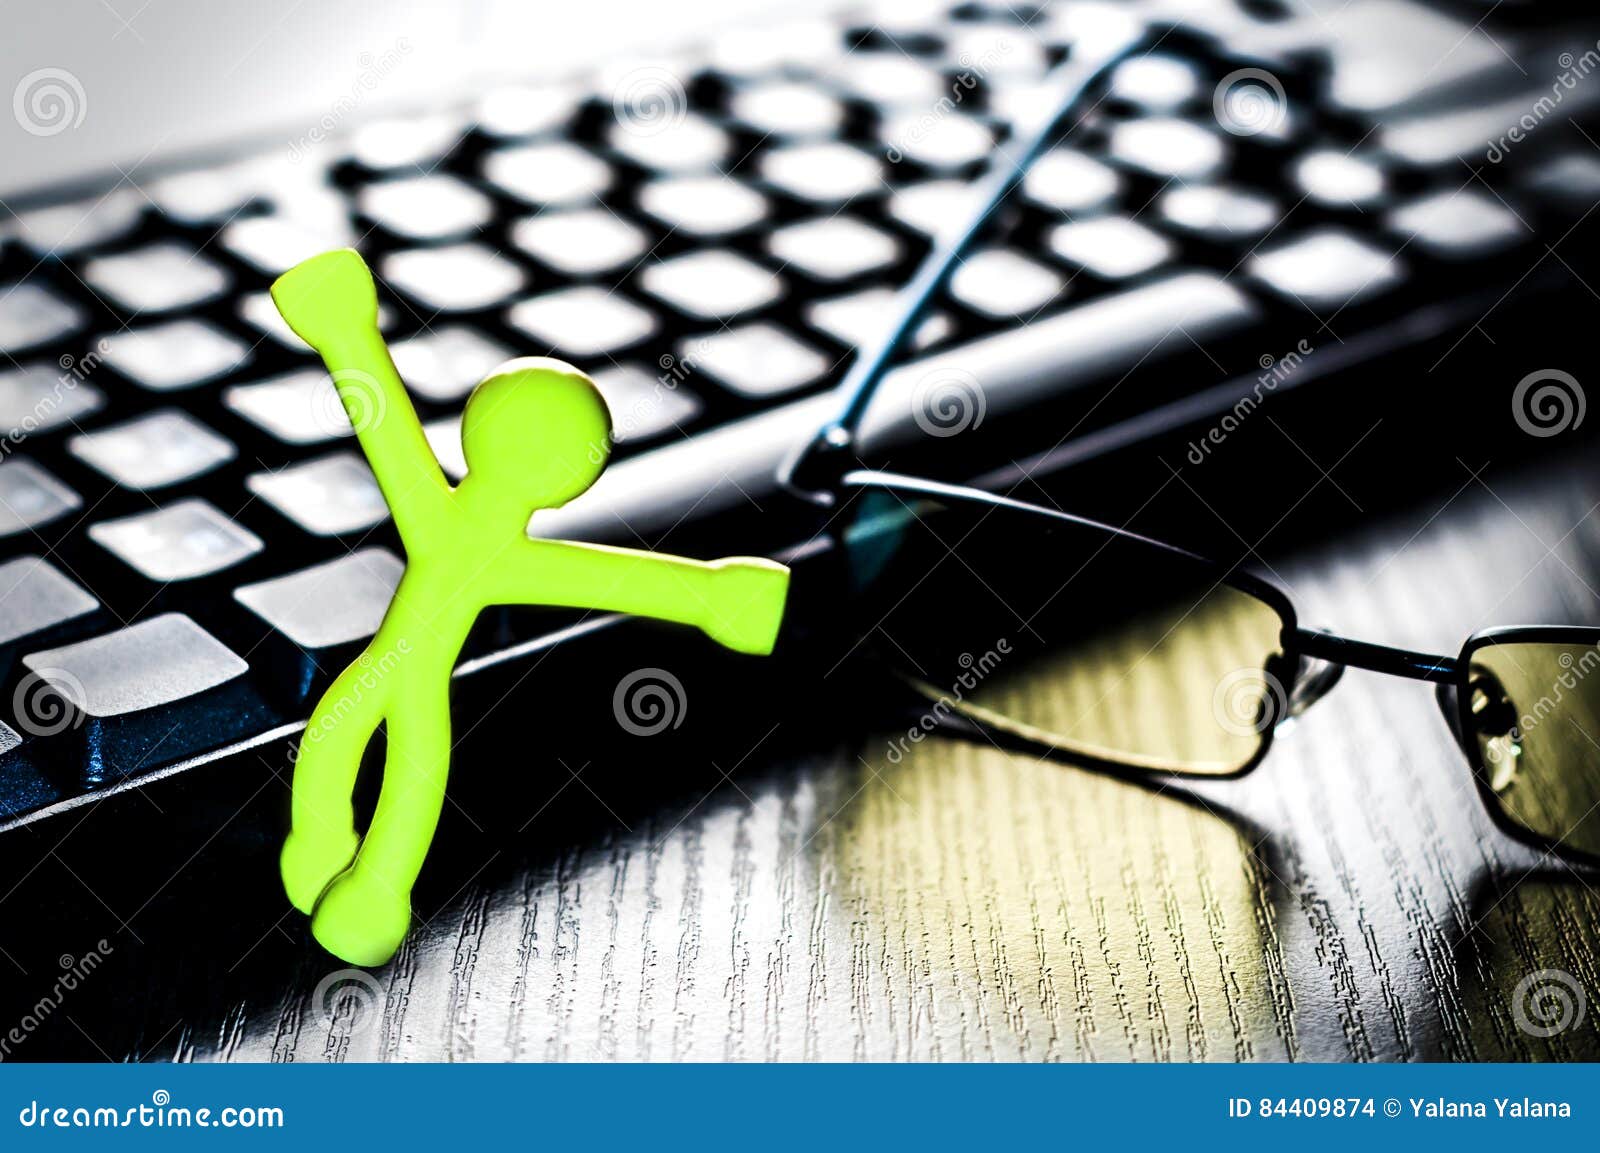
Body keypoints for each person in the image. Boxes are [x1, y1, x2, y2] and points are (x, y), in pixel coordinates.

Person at [271, 249, 790, 966]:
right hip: (411, 666)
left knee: (357, 732)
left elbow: (382, 421)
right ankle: (356, 870)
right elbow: (604, 578)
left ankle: (372, 881)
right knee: (380, 743)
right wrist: (707, 594)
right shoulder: (451, 522)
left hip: (406, 666)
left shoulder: (436, 510)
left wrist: (346, 336)